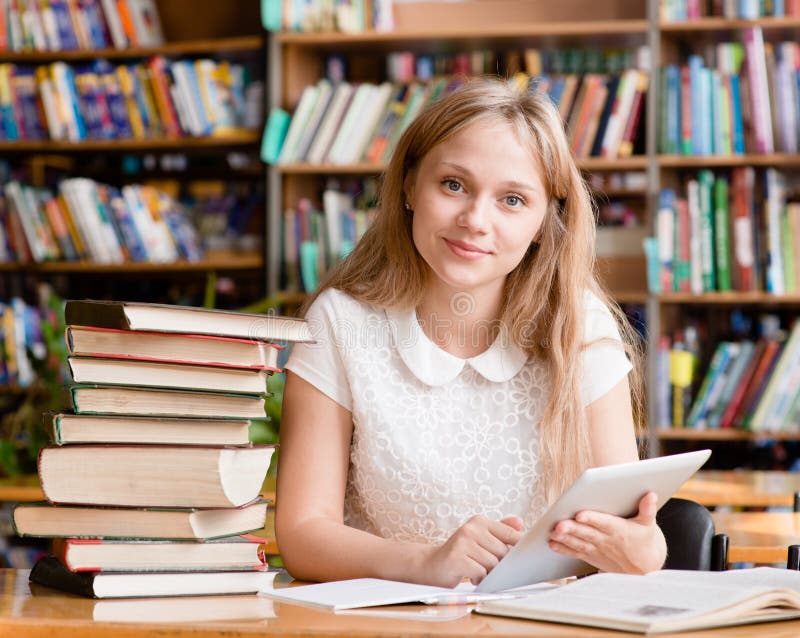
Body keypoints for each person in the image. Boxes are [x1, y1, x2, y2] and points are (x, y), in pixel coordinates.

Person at [276, 76, 666, 588]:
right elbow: (303, 533)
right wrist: (424, 564)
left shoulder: (582, 326)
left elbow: (639, 533)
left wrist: (642, 549)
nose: (476, 220)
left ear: (546, 219)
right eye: (454, 185)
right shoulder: (341, 321)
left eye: (512, 200)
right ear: (411, 185)